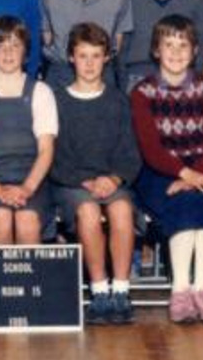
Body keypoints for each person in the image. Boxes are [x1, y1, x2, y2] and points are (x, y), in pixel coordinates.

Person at [131, 14, 203, 324]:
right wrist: (185, 175)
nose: (176, 53)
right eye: (168, 45)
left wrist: (198, 174)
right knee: (184, 201)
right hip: (159, 171)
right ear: (156, 50)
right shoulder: (143, 93)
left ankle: (202, 288)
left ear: (194, 52)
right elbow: (150, 148)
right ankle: (179, 290)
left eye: (183, 46)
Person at [50, 23, 142, 324]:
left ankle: (121, 290)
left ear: (106, 59)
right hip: (72, 183)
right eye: (83, 55)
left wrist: (113, 179)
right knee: (88, 212)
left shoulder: (117, 100)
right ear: (71, 58)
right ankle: (99, 291)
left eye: (96, 56)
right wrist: (82, 181)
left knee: (121, 210)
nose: (89, 63)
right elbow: (53, 156)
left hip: (111, 179)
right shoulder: (57, 100)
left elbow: (130, 153)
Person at [0, 16, 58, 244]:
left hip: (32, 180)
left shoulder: (41, 91)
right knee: (0, 218)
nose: (8, 53)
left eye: (15, 45)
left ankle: (31, 281)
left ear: (26, 51)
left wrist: (27, 188)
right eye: (0, 46)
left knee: (27, 219)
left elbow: (46, 150)